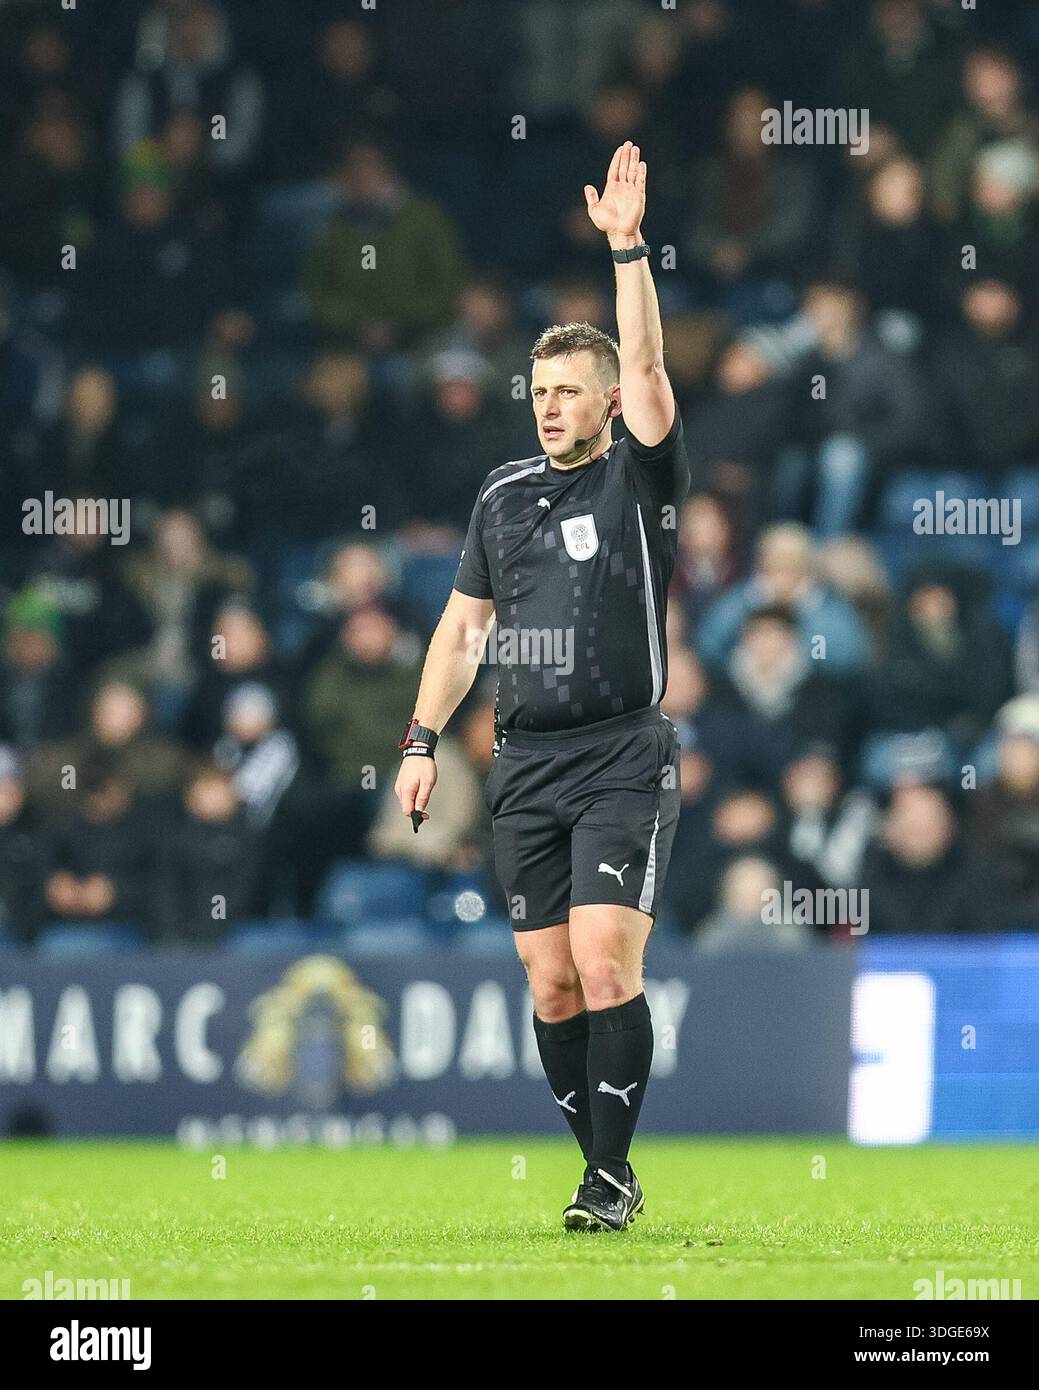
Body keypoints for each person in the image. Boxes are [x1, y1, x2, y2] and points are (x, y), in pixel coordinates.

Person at [394, 143, 689, 1232]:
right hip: (522, 762)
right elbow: (462, 629)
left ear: (610, 403)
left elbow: (653, 368)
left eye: (570, 391)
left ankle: (605, 1180)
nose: (549, 406)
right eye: (538, 391)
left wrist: (625, 246)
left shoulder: (638, 475)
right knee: (551, 985)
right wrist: (421, 739)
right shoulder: (501, 494)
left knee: (606, 960)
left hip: (620, 752)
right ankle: (603, 1166)